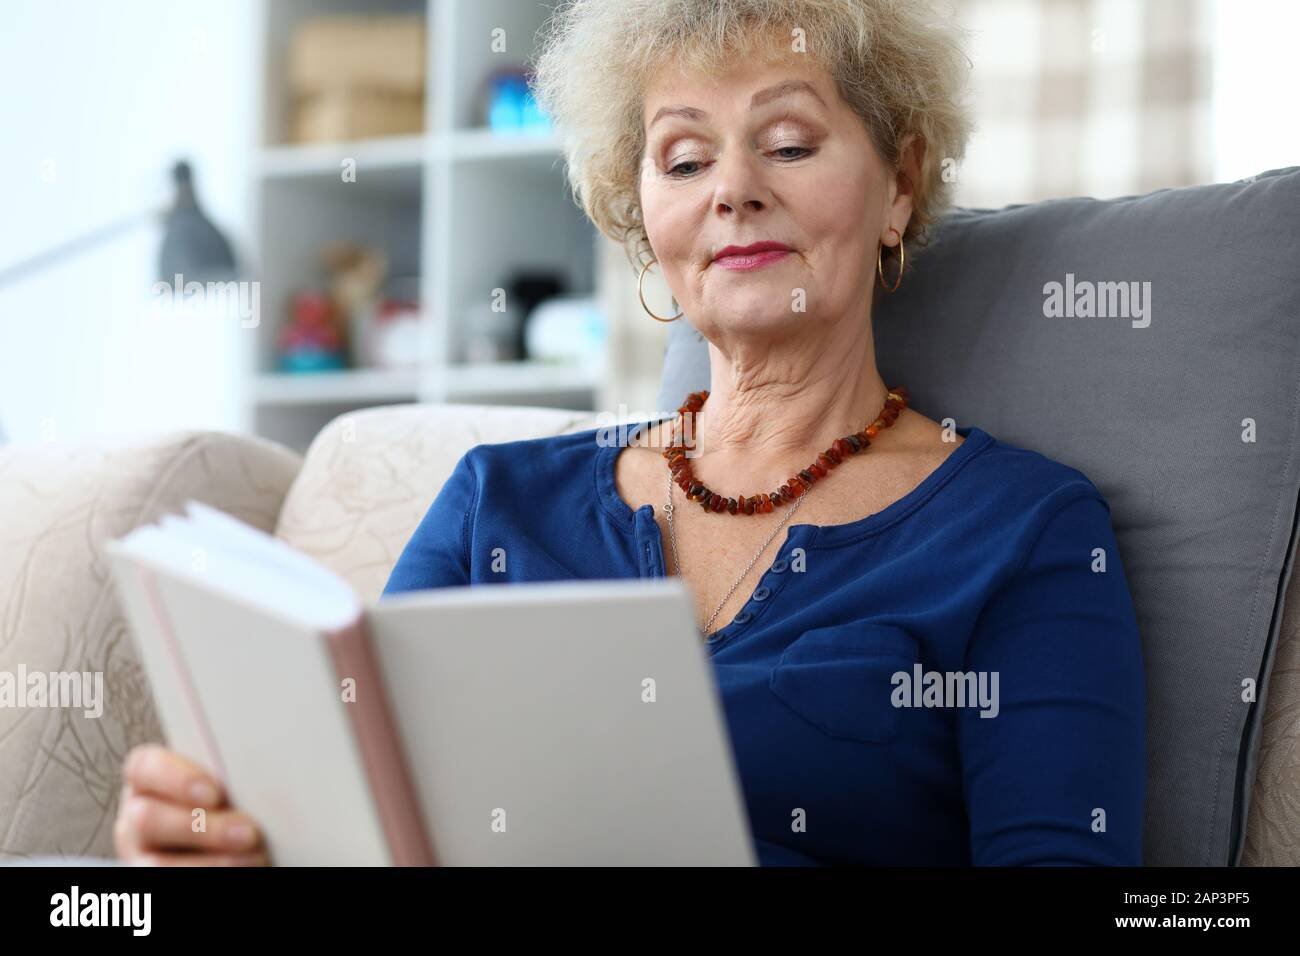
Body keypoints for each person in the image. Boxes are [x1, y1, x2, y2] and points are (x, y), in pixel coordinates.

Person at [114, 0, 1145, 866]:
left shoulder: (1023, 530)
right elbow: (374, 820)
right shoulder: (496, 502)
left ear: (901, 181)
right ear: (641, 210)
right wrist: (249, 843)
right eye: (684, 157)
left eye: (788, 143)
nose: (733, 189)